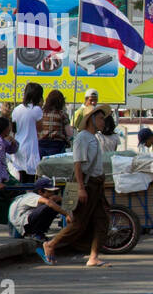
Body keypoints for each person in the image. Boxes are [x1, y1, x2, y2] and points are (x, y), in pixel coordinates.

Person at [40, 104, 112, 267]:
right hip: (86, 184)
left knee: (102, 220)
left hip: (96, 184)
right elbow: (78, 165)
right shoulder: (82, 138)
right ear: (91, 120)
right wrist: (80, 188)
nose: (103, 122)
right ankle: (51, 244)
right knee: (78, 223)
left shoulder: (94, 138)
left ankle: (93, 257)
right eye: (100, 118)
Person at [8, 83, 44, 184]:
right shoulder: (36, 110)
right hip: (30, 149)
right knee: (30, 181)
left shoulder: (16, 109)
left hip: (18, 146)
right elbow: (40, 128)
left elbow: (14, 129)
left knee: (20, 180)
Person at [37, 90, 73, 158]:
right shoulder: (62, 114)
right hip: (57, 146)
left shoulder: (41, 113)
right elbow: (70, 134)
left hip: (40, 145)